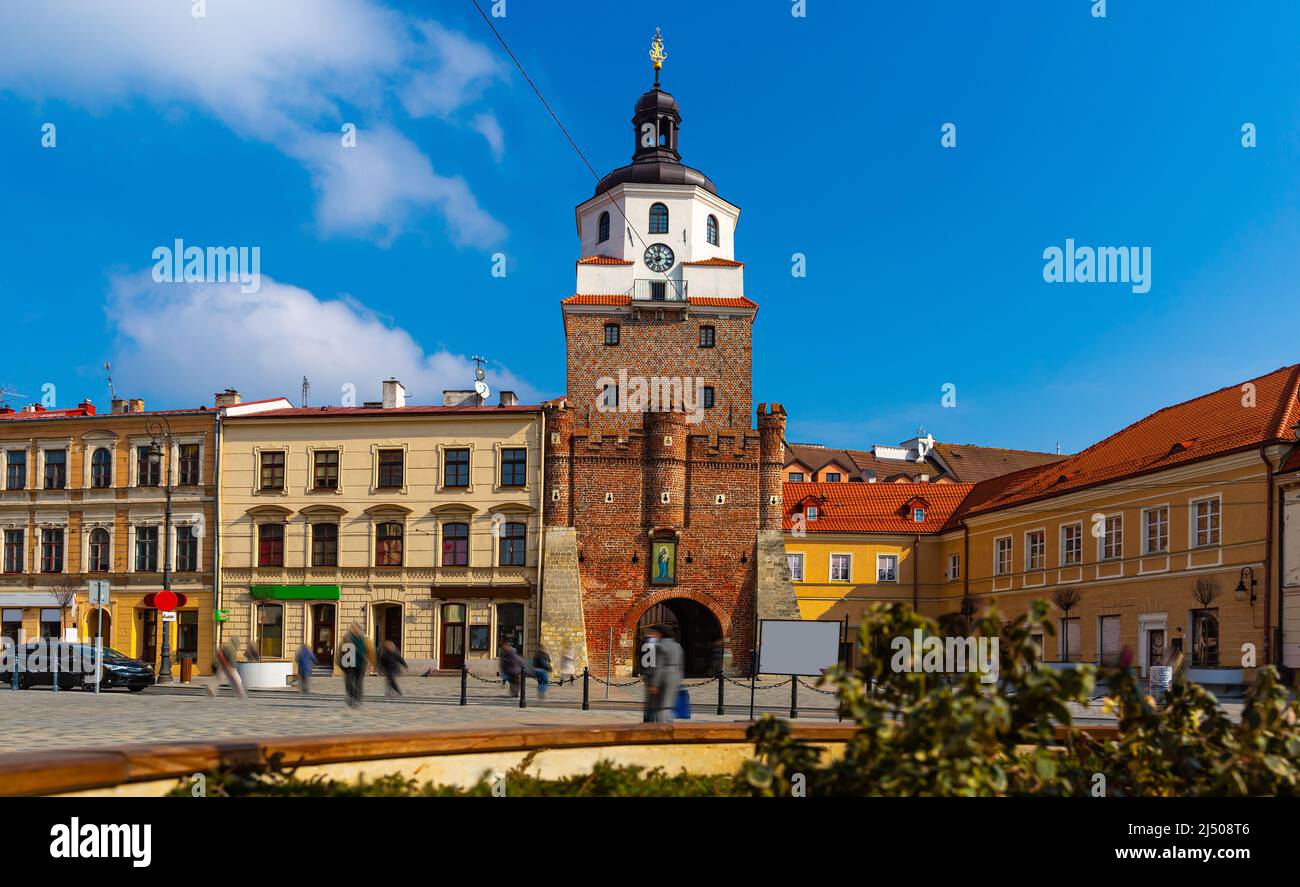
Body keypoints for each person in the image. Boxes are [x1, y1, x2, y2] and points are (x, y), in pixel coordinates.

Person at [643, 624, 683, 723]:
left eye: (655, 633)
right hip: (675, 676)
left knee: (660, 707)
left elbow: (658, 667)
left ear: (661, 634)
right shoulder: (677, 646)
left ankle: (663, 730)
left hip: (663, 678)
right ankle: (669, 726)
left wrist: (654, 684)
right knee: (668, 705)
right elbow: (681, 664)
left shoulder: (659, 646)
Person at [342, 622, 368, 707]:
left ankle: (357, 699)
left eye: (355, 628)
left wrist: (370, 662)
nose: (354, 629)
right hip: (349, 662)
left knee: (358, 682)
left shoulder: (363, 638)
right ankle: (351, 697)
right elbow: (342, 650)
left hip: (361, 663)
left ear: (358, 629)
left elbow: (368, 649)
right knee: (349, 682)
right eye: (352, 628)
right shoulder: (347, 637)